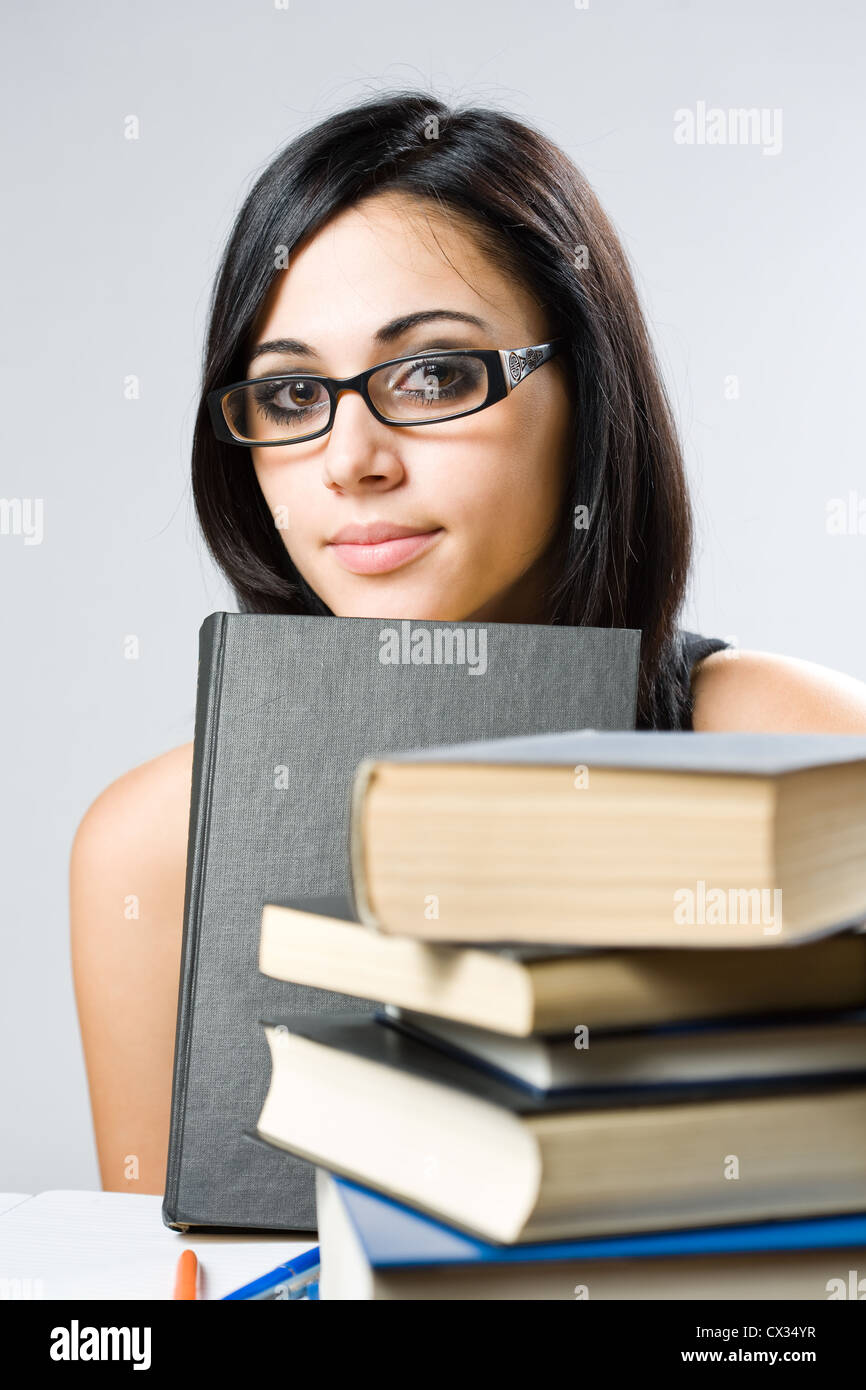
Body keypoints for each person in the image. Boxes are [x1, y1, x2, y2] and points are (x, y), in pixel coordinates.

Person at [70, 92, 866, 1194]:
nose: (350, 458)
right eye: (293, 392)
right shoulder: (154, 842)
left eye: (433, 374)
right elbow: (169, 1281)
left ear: (586, 394)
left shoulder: (801, 755)